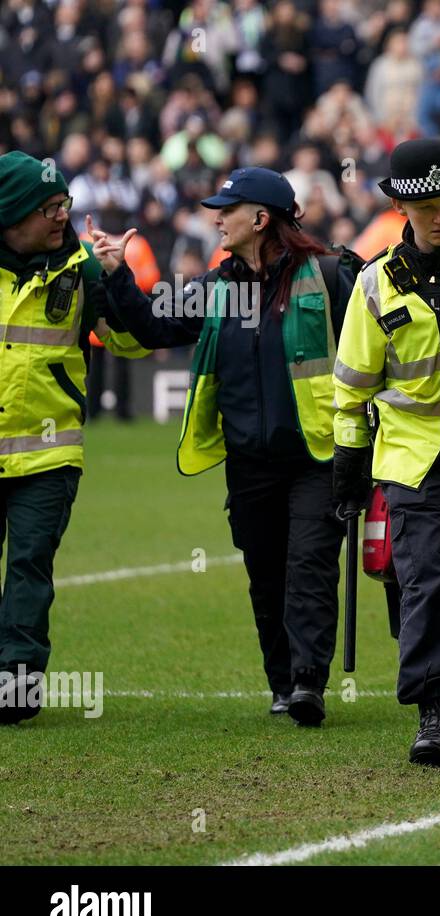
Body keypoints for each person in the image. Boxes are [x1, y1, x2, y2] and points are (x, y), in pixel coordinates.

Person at [91, 167, 359, 727]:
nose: (216, 217)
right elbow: (151, 326)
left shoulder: (333, 275)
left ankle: (309, 682)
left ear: (260, 220)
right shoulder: (217, 288)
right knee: (265, 572)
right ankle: (282, 684)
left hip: (315, 454)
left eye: (227, 209)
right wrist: (117, 273)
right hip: (249, 460)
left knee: (309, 564)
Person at [332, 138, 440, 766]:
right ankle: (434, 710)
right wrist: (348, 470)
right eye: (428, 207)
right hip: (410, 459)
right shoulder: (373, 284)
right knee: (428, 582)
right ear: (400, 206)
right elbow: (349, 390)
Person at [0, 151, 149, 724]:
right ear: (13, 216)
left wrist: (116, 276)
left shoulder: (84, 270)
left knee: (29, 567)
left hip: (48, 454)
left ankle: (15, 687)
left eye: (64, 203)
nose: (62, 215)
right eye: (49, 208)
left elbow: (132, 344)